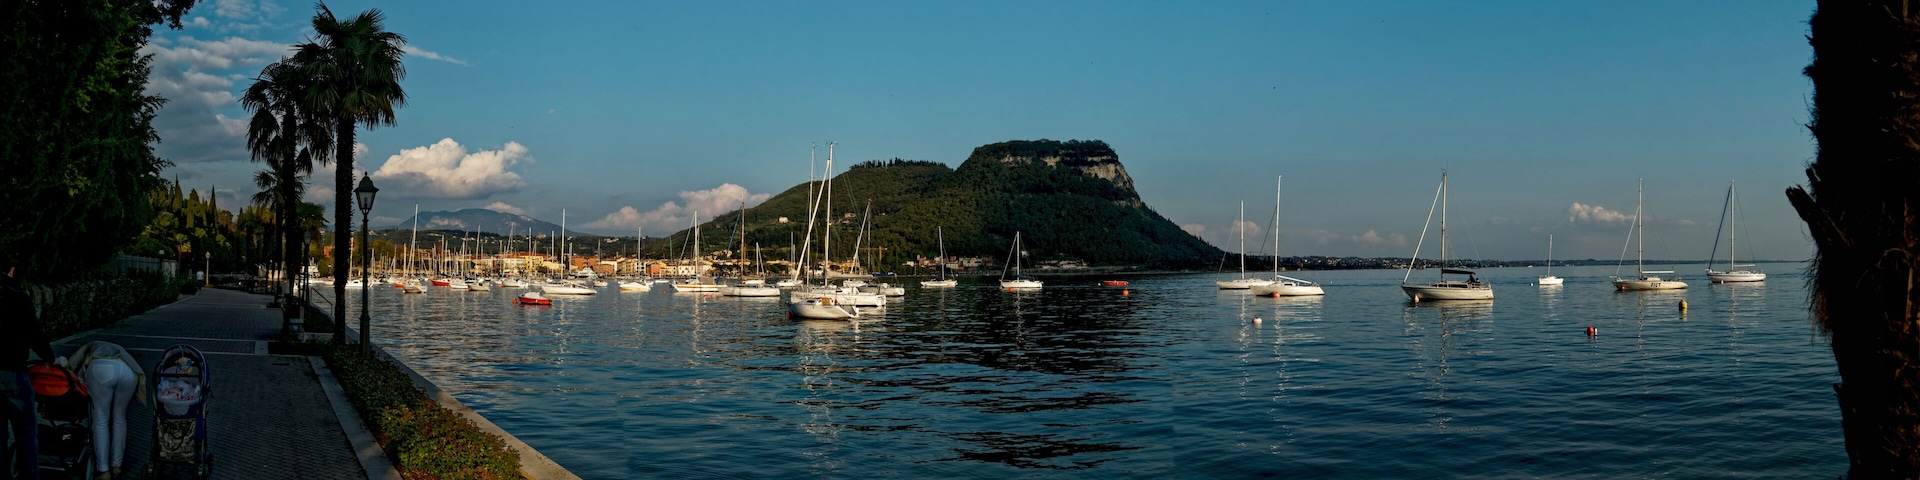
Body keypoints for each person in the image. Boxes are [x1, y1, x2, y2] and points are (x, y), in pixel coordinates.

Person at [1, 258, 58, 480]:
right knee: (25, 433)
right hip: (13, 372)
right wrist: (49, 358)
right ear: (12, 270)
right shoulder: (17, 297)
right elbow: (34, 332)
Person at [68, 342, 144, 480]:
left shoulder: (89, 346)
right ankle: (116, 466)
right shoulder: (120, 348)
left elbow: (71, 364)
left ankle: (104, 470)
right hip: (128, 371)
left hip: (101, 369)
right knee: (120, 419)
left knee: (100, 421)